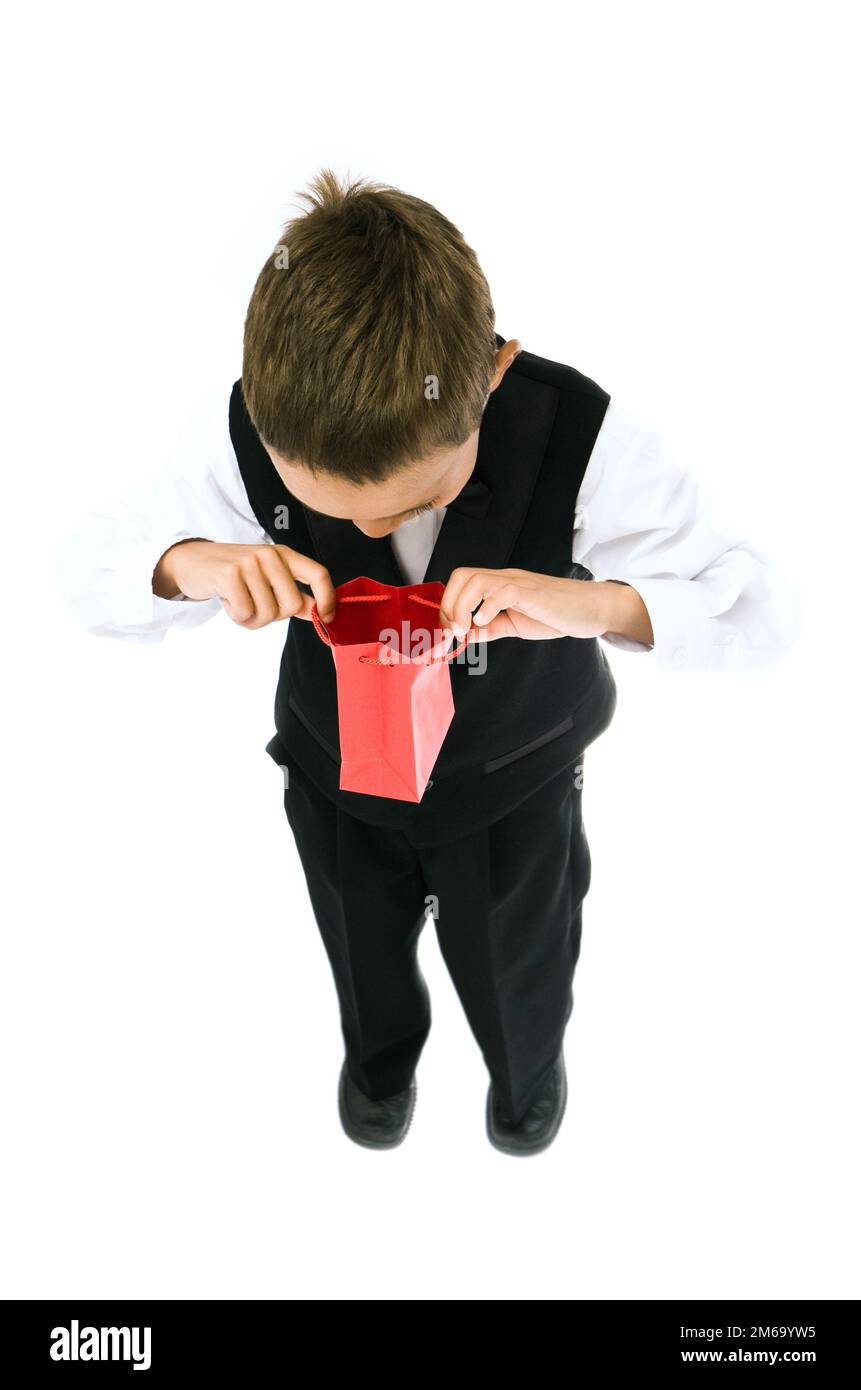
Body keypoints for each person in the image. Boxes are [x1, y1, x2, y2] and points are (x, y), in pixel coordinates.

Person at [57, 168, 801, 1156]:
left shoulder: (582, 438)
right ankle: (378, 1068)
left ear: (490, 375)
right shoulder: (245, 424)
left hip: (513, 784)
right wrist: (185, 562)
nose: (367, 526)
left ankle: (524, 1077)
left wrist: (594, 602)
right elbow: (89, 563)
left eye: (408, 499)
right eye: (322, 497)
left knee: (519, 963)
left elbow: (759, 608)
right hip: (332, 778)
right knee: (358, 948)